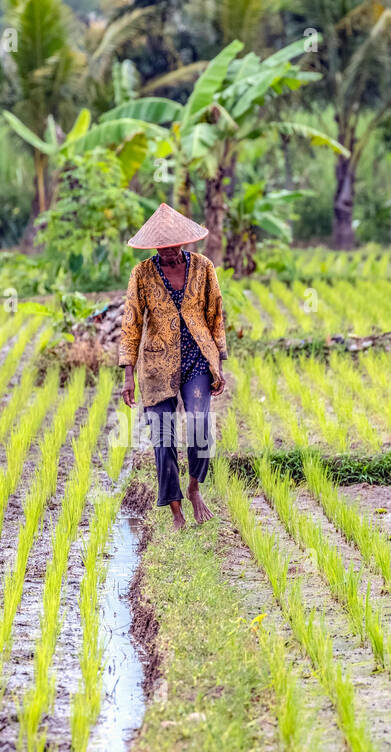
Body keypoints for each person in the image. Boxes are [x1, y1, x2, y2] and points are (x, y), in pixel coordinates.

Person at [118, 203, 227, 530]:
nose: (166, 252)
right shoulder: (141, 273)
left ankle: (194, 488)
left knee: (199, 423)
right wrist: (128, 374)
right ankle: (176, 511)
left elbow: (215, 314)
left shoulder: (204, 267)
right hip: (156, 365)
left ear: (184, 241)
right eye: (160, 247)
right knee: (162, 438)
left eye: (172, 246)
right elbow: (132, 323)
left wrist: (218, 360)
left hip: (197, 357)